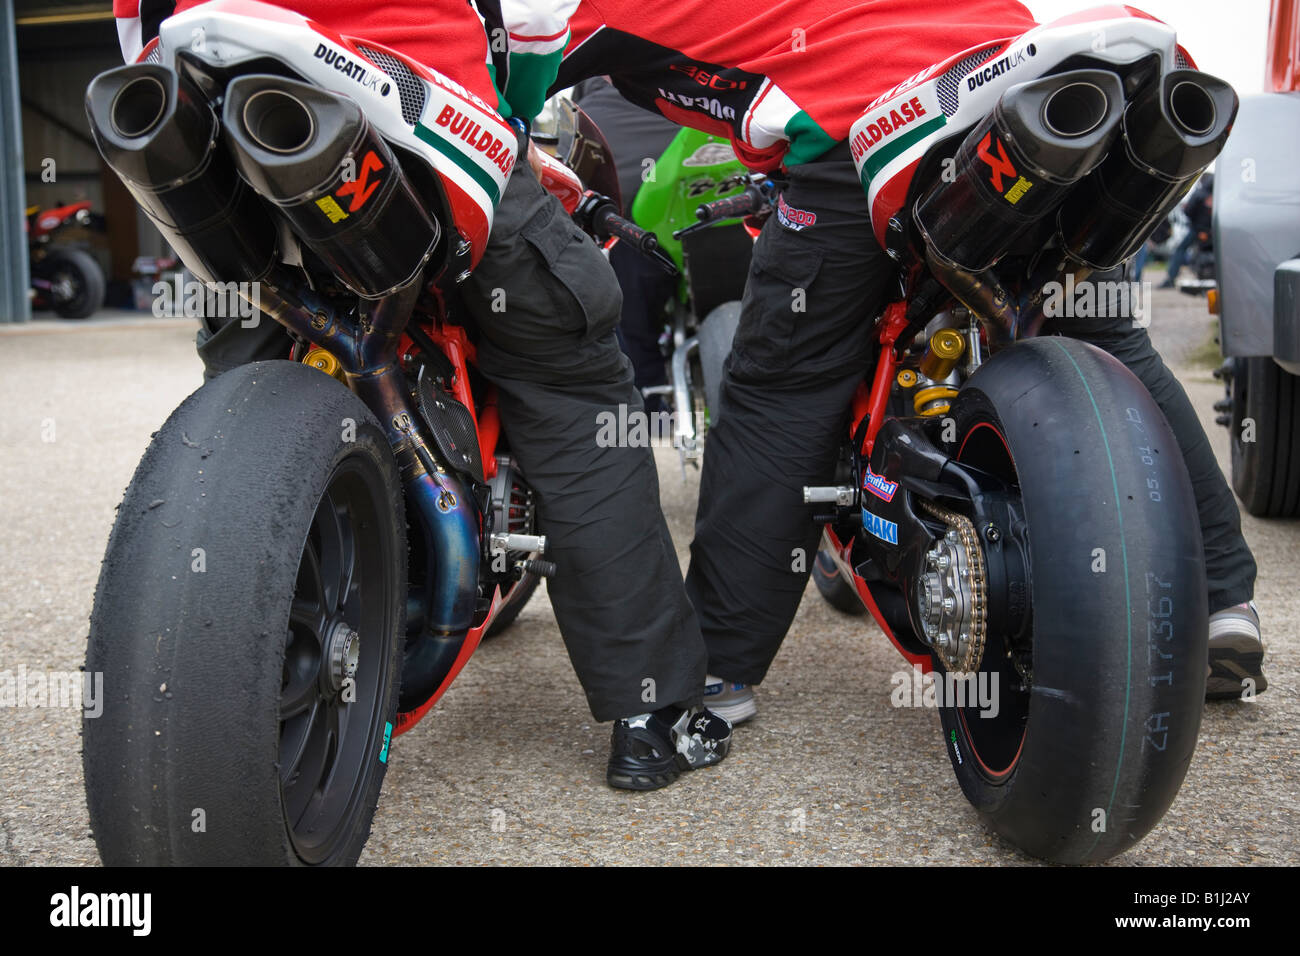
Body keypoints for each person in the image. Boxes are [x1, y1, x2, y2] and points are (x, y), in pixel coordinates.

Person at [481, 0, 1268, 717]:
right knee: (1107, 336)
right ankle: (1225, 603)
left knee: (780, 388)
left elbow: (518, 49)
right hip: (1026, 92)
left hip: (857, 131)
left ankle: (720, 665)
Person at [110, 0, 734, 791]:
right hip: (417, 106)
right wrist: (510, 99)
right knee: (576, 395)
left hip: (200, 120)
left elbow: (136, 26)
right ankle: (654, 717)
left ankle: (236, 657)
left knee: (244, 360)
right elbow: (536, 23)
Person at [571, 78, 682, 414]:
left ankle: (650, 407)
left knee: (631, 321)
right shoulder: (685, 85)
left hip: (634, 224)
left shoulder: (587, 114)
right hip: (708, 210)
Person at [1160, 174, 1215, 289]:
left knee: (1180, 250)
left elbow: (1188, 211)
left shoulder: (1199, 194)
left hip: (1196, 230)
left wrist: (1197, 226)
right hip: (1211, 232)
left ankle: (1171, 278)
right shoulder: (1216, 195)